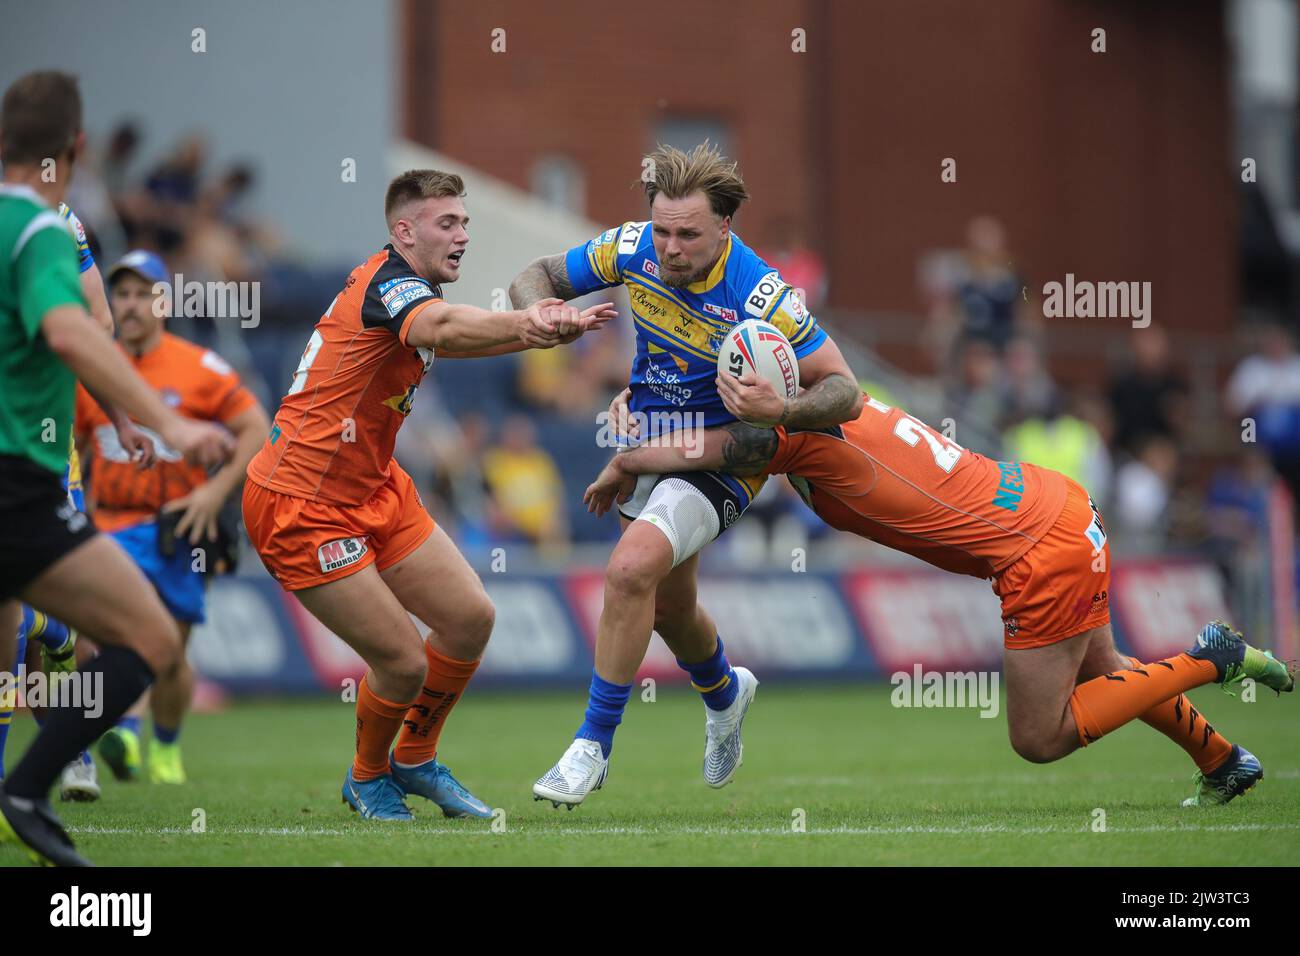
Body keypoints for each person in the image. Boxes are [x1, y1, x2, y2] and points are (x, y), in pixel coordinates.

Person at [585, 392, 1294, 807]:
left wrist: (626, 447)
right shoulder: (834, 397)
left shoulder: (783, 438)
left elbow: (699, 448)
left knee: (1038, 737)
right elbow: (704, 416)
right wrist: (643, 401)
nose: (734, 394)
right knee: (1103, 667)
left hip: (1037, 550)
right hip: (1054, 502)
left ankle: (1214, 657)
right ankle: (1224, 762)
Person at [242, 169, 614, 820]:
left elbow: (440, 332)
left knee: (471, 619)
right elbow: (440, 326)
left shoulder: (405, 293)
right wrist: (528, 324)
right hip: (301, 498)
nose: (463, 235)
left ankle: (412, 760)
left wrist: (527, 325)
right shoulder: (391, 284)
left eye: (466, 222)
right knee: (404, 663)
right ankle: (366, 778)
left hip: (373, 483)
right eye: (448, 223)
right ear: (404, 231)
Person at [510, 143, 862, 806]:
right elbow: (536, 274)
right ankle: (726, 693)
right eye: (663, 230)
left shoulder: (760, 293)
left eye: (689, 235)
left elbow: (847, 390)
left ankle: (592, 746)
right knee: (670, 605)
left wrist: (781, 408)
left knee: (627, 569)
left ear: (725, 229)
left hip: (725, 454)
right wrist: (543, 313)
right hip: (647, 431)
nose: (670, 248)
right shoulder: (632, 246)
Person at [0, 70, 233, 866]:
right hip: (19, 480)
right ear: (78, 148)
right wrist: (161, 420)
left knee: (19, 641)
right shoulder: (45, 229)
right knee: (145, 638)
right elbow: (78, 330)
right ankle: (30, 785)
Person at [76, 249, 269, 784]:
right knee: (108, 640)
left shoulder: (199, 367)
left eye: (144, 294)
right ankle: (119, 739)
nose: (132, 305)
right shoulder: (92, 367)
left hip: (180, 530)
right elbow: (77, 448)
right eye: (123, 294)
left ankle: (162, 745)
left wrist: (215, 495)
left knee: (172, 655)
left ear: (164, 302)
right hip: (111, 526)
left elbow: (257, 428)